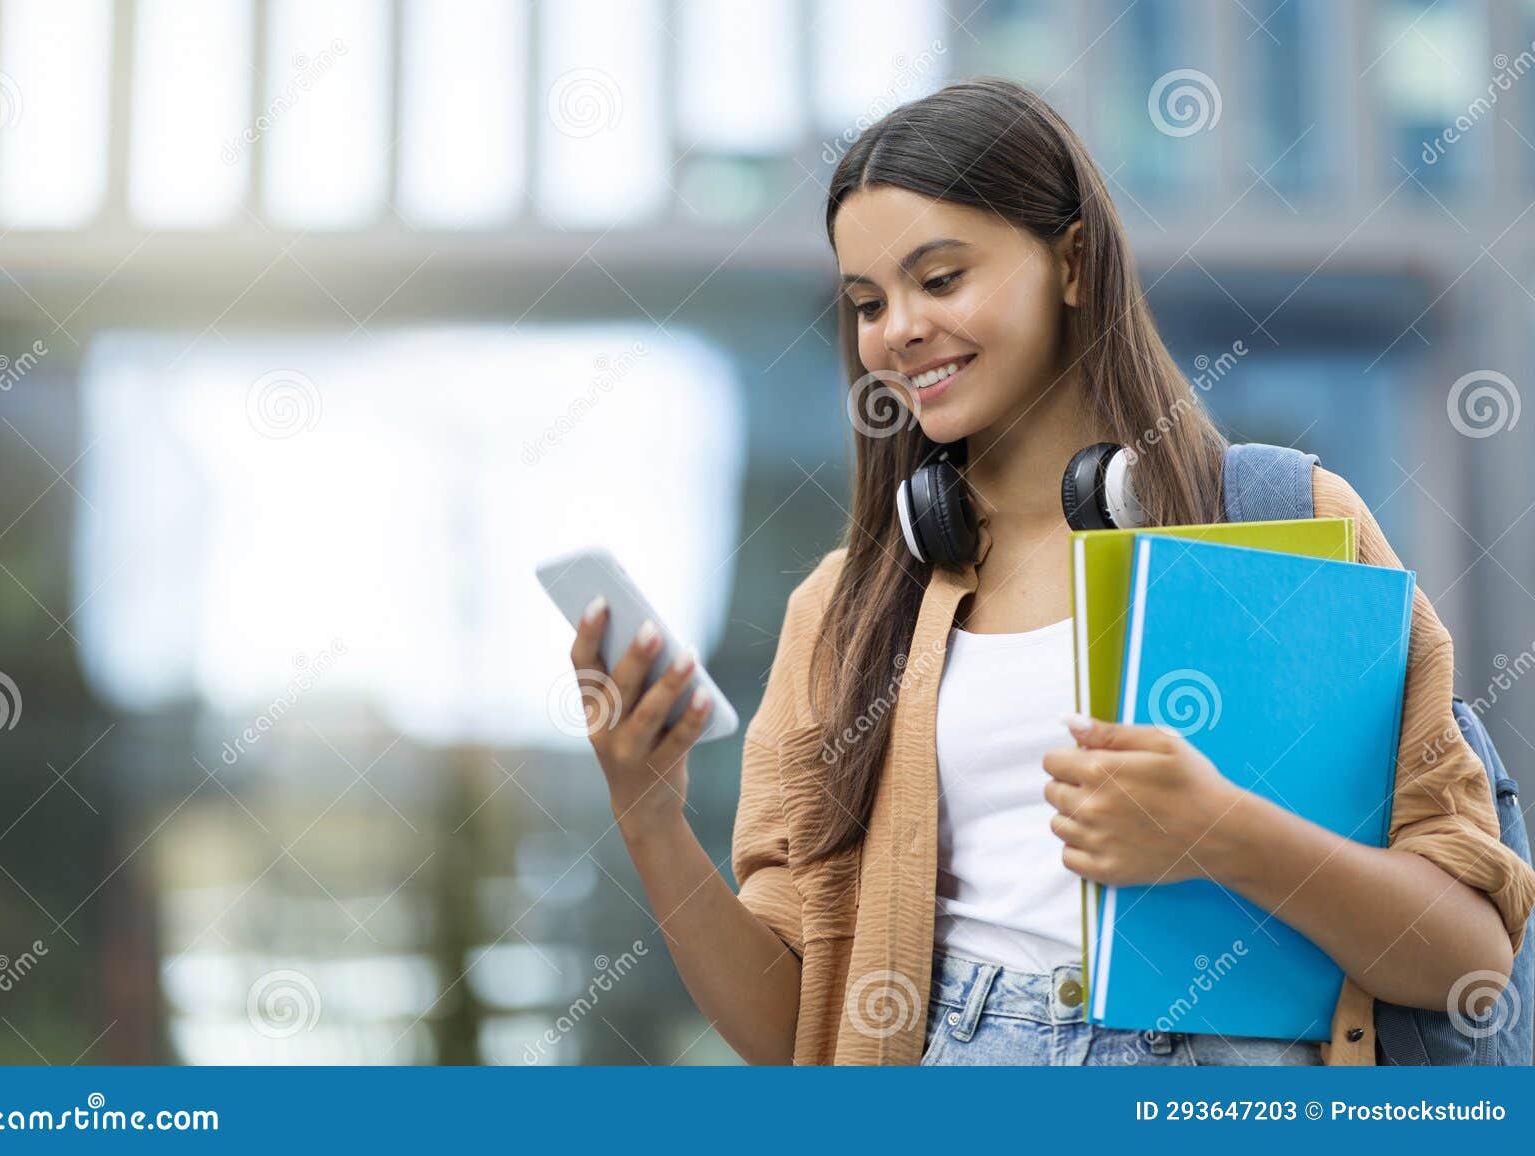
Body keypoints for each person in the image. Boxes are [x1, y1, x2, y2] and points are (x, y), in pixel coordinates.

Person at [566, 78, 1534, 1066]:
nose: (895, 329)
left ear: (1071, 261)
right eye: (866, 302)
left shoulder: (1282, 525)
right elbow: (787, 1031)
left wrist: (1220, 833)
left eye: (939, 279)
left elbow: (1464, 955)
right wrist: (649, 815)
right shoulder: (844, 610)